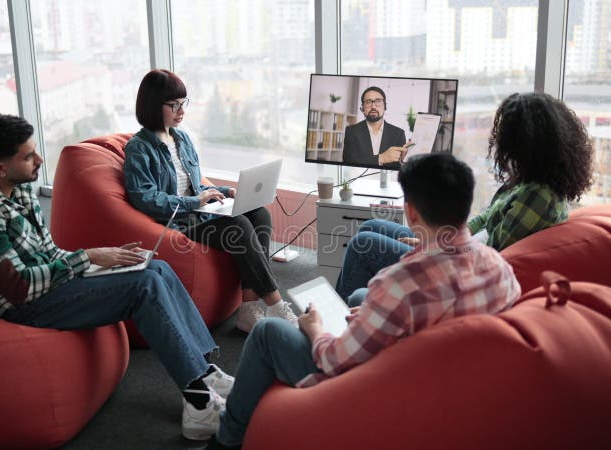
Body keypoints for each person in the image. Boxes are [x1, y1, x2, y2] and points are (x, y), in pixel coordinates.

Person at [0, 113, 234, 441]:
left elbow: (49, 255)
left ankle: (204, 371)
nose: (39, 159)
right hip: (20, 305)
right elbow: (17, 287)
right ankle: (198, 402)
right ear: (0, 168)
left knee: (156, 267)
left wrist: (106, 258)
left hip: (47, 284)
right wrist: (88, 258)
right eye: (28, 156)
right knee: (144, 286)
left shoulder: (17, 189)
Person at [205, 153, 522, 448]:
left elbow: (334, 359)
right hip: (451, 383)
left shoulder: (399, 284)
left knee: (266, 333)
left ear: (410, 212)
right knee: (359, 297)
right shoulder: (500, 268)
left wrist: (316, 329)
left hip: (379, 391)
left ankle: (227, 438)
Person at [335, 92, 595, 303]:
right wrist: (436, 236)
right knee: (370, 226)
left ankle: (342, 323)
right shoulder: (530, 181)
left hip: (459, 267)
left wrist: (433, 243)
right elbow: (484, 220)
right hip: (459, 247)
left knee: (362, 244)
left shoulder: (539, 199)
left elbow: (489, 256)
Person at [123, 69, 297, 333]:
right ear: (152, 105)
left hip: (200, 217)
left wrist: (225, 192)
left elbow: (195, 185)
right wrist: (195, 202)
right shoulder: (139, 148)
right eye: (174, 105)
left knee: (259, 214)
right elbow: (146, 199)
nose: (181, 111)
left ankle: (248, 309)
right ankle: (277, 305)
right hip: (175, 227)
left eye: (184, 103)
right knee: (237, 226)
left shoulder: (181, 138)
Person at [341, 86, 410, 168]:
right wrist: (381, 158)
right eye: (368, 102)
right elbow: (348, 162)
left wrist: (404, 160)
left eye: (378, 101)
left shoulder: (399, 133)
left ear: (385, 106)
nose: (373, 106)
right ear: (362, 108)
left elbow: (399, 167)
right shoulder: (351, 131)